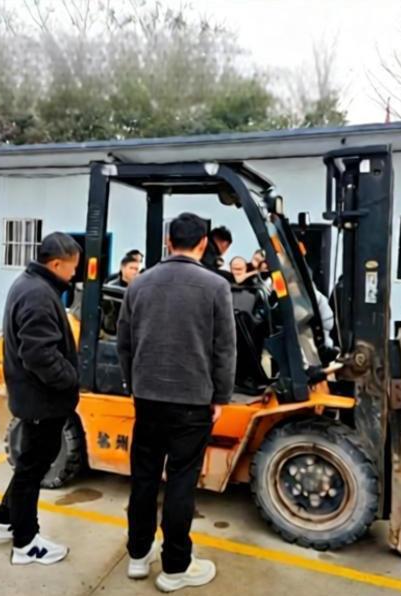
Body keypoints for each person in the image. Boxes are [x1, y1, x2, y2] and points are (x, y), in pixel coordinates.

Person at [117, 213, 236, 592]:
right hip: (193, 401)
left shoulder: (139, 283)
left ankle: (138, 556)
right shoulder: (216, 286)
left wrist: (134, 385)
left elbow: (124, 342)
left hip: (148, 399)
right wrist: (221, 396)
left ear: (168, 242)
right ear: (203, 244)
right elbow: (224, 348)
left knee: (144, 478)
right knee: (181, 482)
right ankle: (175, 567)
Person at [0, 232, 82, 564]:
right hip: (42, 399)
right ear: (56, 264)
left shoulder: (29, 284)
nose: (74, 274)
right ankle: (26, 543)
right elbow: (39, 354)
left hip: (34, 397)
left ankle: (4, 521)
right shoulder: (38, 295)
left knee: (29, 464)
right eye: (72, 267)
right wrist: (70, 379)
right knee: (33, 469)